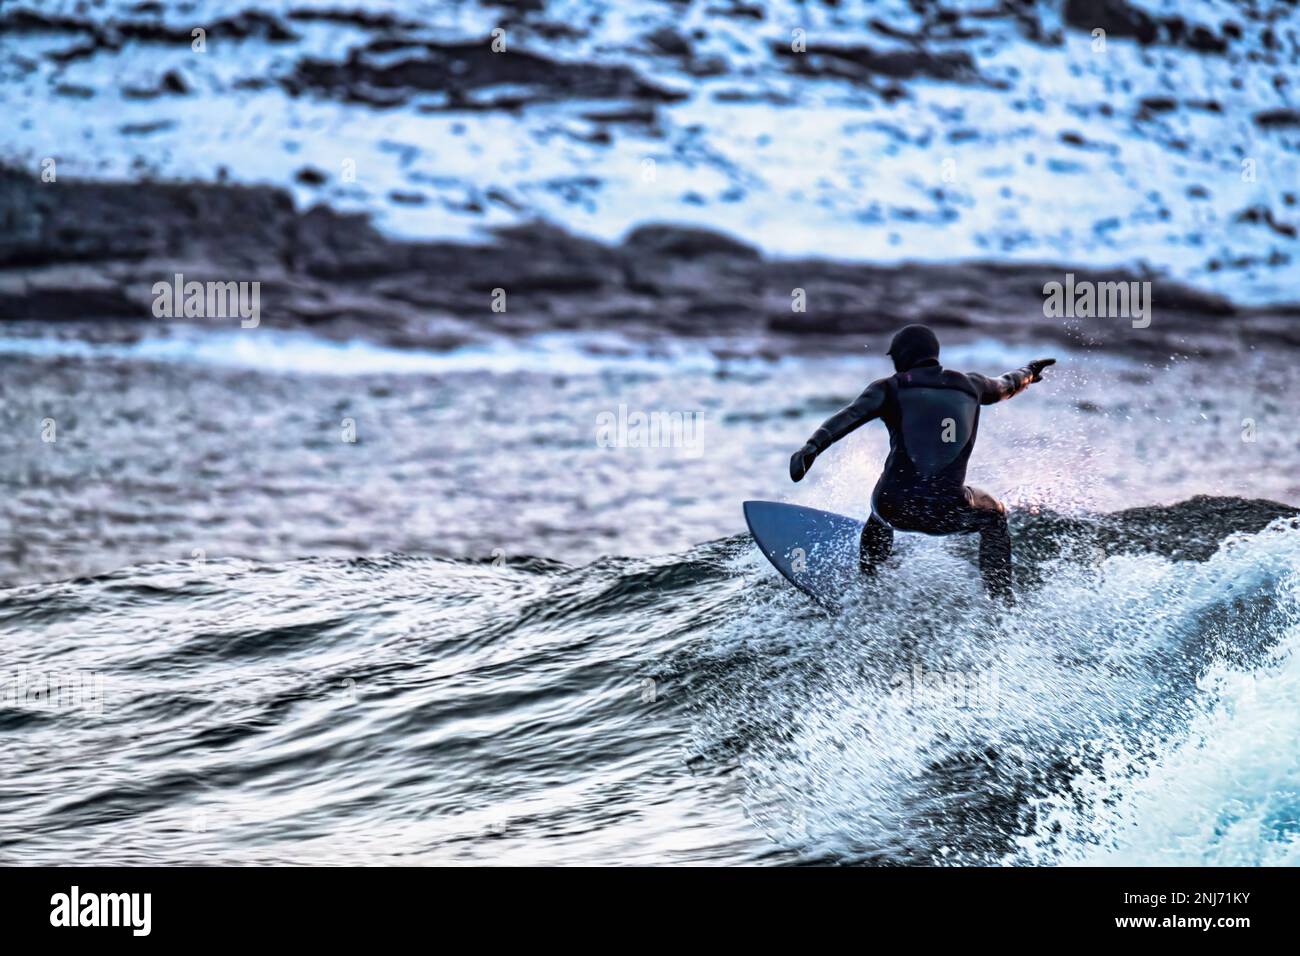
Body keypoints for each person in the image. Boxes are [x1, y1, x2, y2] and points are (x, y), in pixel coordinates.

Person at [788, 324, 1055, 602]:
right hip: (949, 510)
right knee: (994, 515)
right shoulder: (972, 385)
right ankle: (1000, 601)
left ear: (903, 356)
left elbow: (848, 416)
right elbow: (1008, 384)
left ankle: (867, 582)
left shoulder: (889, 388)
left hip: (895, 508)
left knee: (881, 510)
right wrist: (1030, 371)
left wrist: (811, 447)